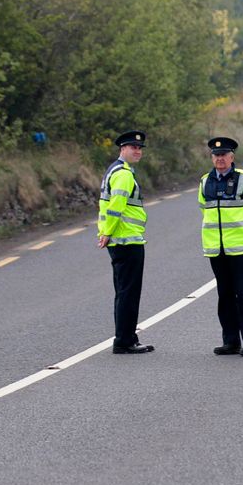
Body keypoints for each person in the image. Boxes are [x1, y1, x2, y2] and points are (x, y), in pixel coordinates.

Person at [199, 136, 243, 357]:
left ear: (232, 157)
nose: (220, 159)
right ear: (212, 157)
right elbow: (204, 210)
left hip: (241, 249)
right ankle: (230, 341)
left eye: (224, 155)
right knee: (224, 295)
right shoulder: (204, 181)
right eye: (216, 155)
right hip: (216, 250)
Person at [98, 130, 154, 354]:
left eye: (140, 148)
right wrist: (107, 232)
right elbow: (116, 206)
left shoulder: (115, 170)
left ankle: (127, 336)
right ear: (123, 149)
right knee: (129, 292)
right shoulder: (123, 174)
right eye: (133, 147)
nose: (137, 151)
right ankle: (125, 340)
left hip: (120, 240)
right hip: (126, 240)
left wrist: (105, 233)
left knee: (124, 291)